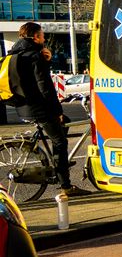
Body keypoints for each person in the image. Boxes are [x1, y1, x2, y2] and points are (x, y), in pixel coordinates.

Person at [11, 23, 88, 196]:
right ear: (36, 37)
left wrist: (47, 60)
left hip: (24, 107)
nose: (44, 38)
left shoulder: (16, 53)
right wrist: (57, 111)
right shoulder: (35, 56)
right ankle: (66, 185)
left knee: (64, 124)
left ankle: (59, 163)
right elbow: (45, 87)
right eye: (43, 35)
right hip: (39, 108)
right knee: (60, 142)